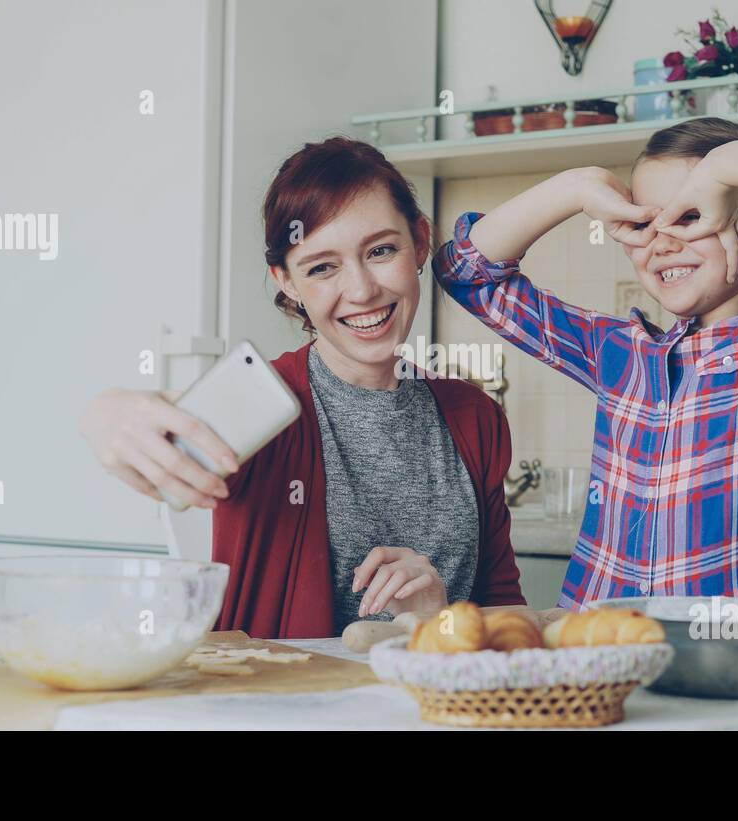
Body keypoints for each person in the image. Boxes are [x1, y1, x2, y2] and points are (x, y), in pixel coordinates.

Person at [433, 118, 738, 608]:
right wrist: (572, 188)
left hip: (726, 664)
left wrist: (725, 166)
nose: (661, 243)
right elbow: (466, 273)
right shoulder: (620, 352)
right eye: (644, 223)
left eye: (690, 216)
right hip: (599, 658)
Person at [80, 137, 525, 638]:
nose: (361, 290)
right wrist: (107, 413)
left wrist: (440, 616)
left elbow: (506, 617)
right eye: (321, 267)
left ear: (419, 243)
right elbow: (143, 430)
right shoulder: (256, 405)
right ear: (286, 280)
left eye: (381, 250)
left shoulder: (474, 418)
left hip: (436, 713)